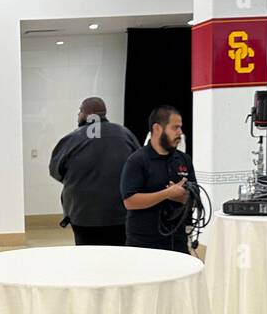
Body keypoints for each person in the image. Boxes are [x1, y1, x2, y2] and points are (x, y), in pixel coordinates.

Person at [48, 96, 139, 246]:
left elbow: (55, 170)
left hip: (83, 215)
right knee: (120, 256)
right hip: (120, 214)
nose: (78, 115)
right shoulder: (125, 135)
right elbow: (139, 166)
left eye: (79, 111)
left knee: (87, 257)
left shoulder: (72, 139)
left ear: (85, 113)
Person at [120, 105, 194, 254]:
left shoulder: (183, 159)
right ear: (157, 129)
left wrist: (182, 196)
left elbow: (194, 196)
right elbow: (130, 201)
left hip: (177, 240)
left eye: (180, 127)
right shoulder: (137, 160)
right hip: (144, 242)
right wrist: (166, 194)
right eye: (175, 128)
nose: (180, 133)